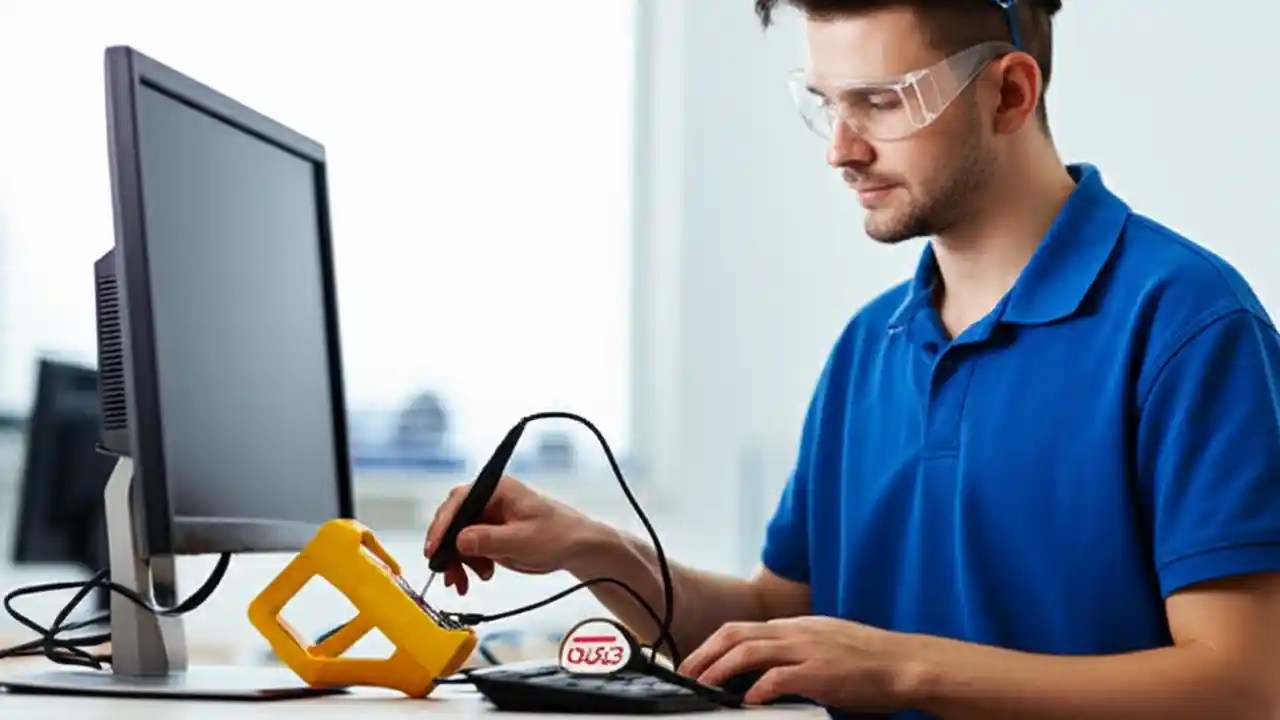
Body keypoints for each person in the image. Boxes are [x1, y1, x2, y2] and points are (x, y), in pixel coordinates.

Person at [425, 1, 1280, 717]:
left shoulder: (1188, 325)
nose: (840, 148)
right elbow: (776, 620)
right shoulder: (868, 345)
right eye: (824, 102)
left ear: (1010, 94)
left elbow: (1246, 683)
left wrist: (901, 669)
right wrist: (596, 550)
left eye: (879, 101)